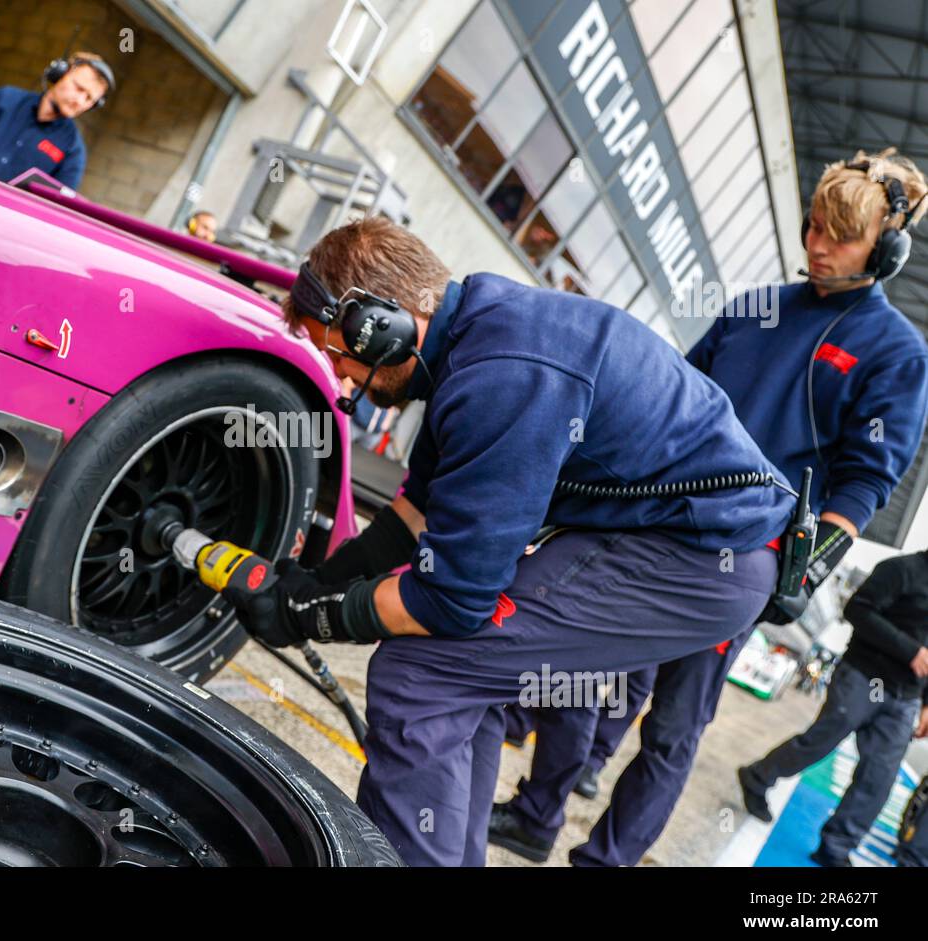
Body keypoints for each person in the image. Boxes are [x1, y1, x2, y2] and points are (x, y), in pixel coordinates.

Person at [221, 215, 795, 866]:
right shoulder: (474, 343)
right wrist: (319, 581)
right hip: (690, 543)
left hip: (702, 556)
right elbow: (417, 517)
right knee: (470, 676)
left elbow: (452, 601)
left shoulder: (501, 372)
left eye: (340, 356)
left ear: (384, 324)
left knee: (422, 673)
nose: (344, 381)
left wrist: (312, 616)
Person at [490, 148, 928, 867]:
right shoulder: (760, 307)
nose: (816, 246)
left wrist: (802, 572)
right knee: (575, 674)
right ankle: (537, 818)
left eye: (838, 237)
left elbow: (866, 483)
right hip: (652, 524)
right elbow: (674, 390)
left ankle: (607, 860)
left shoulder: (895, 355)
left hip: (741, 562)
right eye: (813, 226)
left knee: (672, 728)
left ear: (884, 251)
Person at [741, 549, 928, 866]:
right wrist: (909, 650)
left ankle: (836, 847)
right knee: (818, 743)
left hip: (906, 696)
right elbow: (858, 609)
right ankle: (758, 776)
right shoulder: (902, 569)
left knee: (879, 777)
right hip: (864, 676)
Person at [0, 53, 114, 189]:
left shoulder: (73, 150)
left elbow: (58, 208)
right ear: (60, 74)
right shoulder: (5, 98)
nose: (80, 101)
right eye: (79, 88)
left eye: (89, 98)